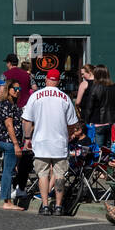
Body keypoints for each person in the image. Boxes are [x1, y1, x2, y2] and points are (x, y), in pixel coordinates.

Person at [21, 68, 78, 216]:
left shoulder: (35, 96)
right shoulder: (65, 98)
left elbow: (27, 120)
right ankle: (58, 206)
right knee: (59, 175)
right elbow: (72, 123)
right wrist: (69, 135)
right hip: (59, 142)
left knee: (42, 174)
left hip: (41, 142)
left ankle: (45, 205)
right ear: (58, 81)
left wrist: (27, 138)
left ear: (46, 79)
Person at [80, 64, 115, 152]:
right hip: (112, 121)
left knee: (98, 149)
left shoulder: (95, 88)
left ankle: (99, 165)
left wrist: (86, 121)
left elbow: (89, 107)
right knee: (109, 147)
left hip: (98, 122)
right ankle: (108, 164)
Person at [0, 80, 24, 209]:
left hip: (9, 141)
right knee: (8, 170)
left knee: (10, 169)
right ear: (9, 89)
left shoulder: (12, 104)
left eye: (19, 89)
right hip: (8, 141)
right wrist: (16, 144)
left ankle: (7, 198)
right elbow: (9, 125)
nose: (17, 91)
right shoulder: (7, 104)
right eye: (15, 89)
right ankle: (7, 201)